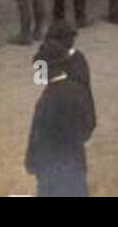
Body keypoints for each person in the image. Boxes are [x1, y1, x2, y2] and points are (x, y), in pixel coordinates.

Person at [24, 35, 96, 196]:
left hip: (51, 171)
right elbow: (88, 125)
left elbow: (37, 136)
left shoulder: (47, 100)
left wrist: (31, 162)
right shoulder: (77, 90)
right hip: (75, 164)